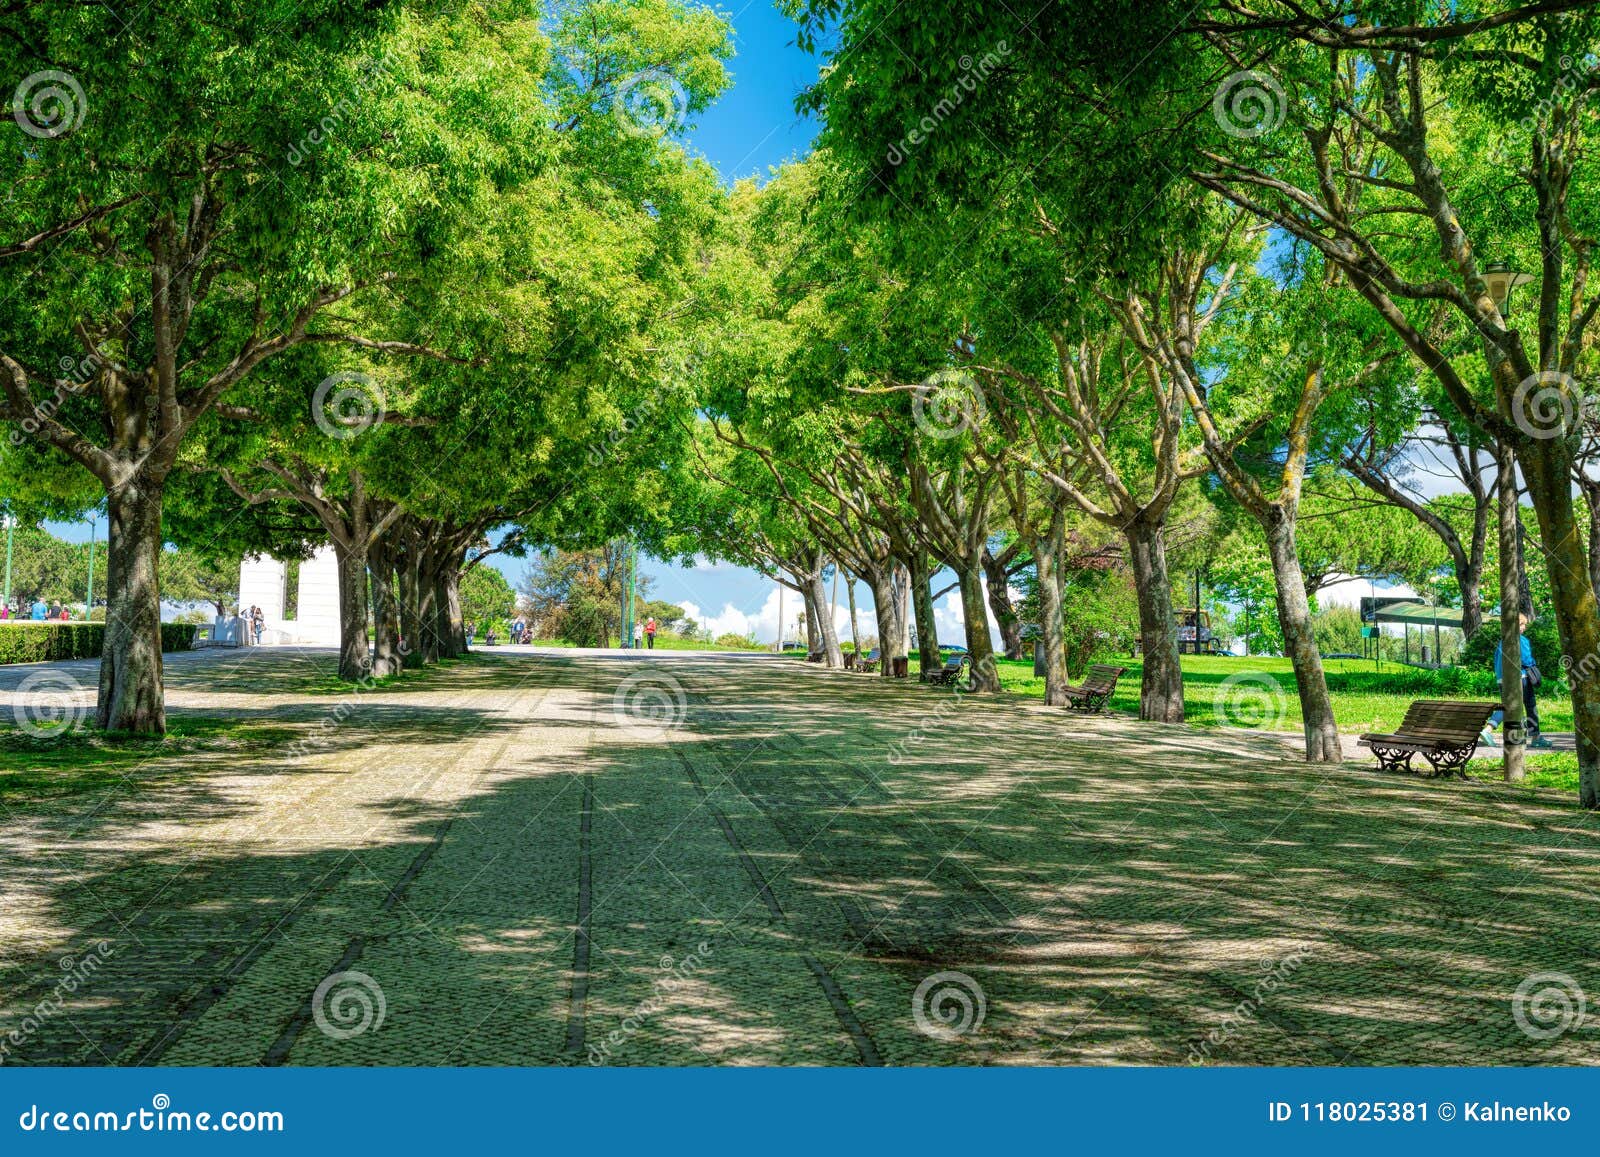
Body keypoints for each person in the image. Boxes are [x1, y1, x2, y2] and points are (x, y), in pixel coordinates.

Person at [1484, 612, 1551, 748]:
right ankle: (1536, 737)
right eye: (1522, 624)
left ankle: (1488, 729)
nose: (1524, 628)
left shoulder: (1502, 641)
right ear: (1515, 625)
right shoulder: (1521, 640)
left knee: (1507, 706)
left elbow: (1496, 661)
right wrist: (1533, 664)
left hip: (1502, 679)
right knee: (1531, 706)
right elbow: (1526, 660)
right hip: (1520, 678)